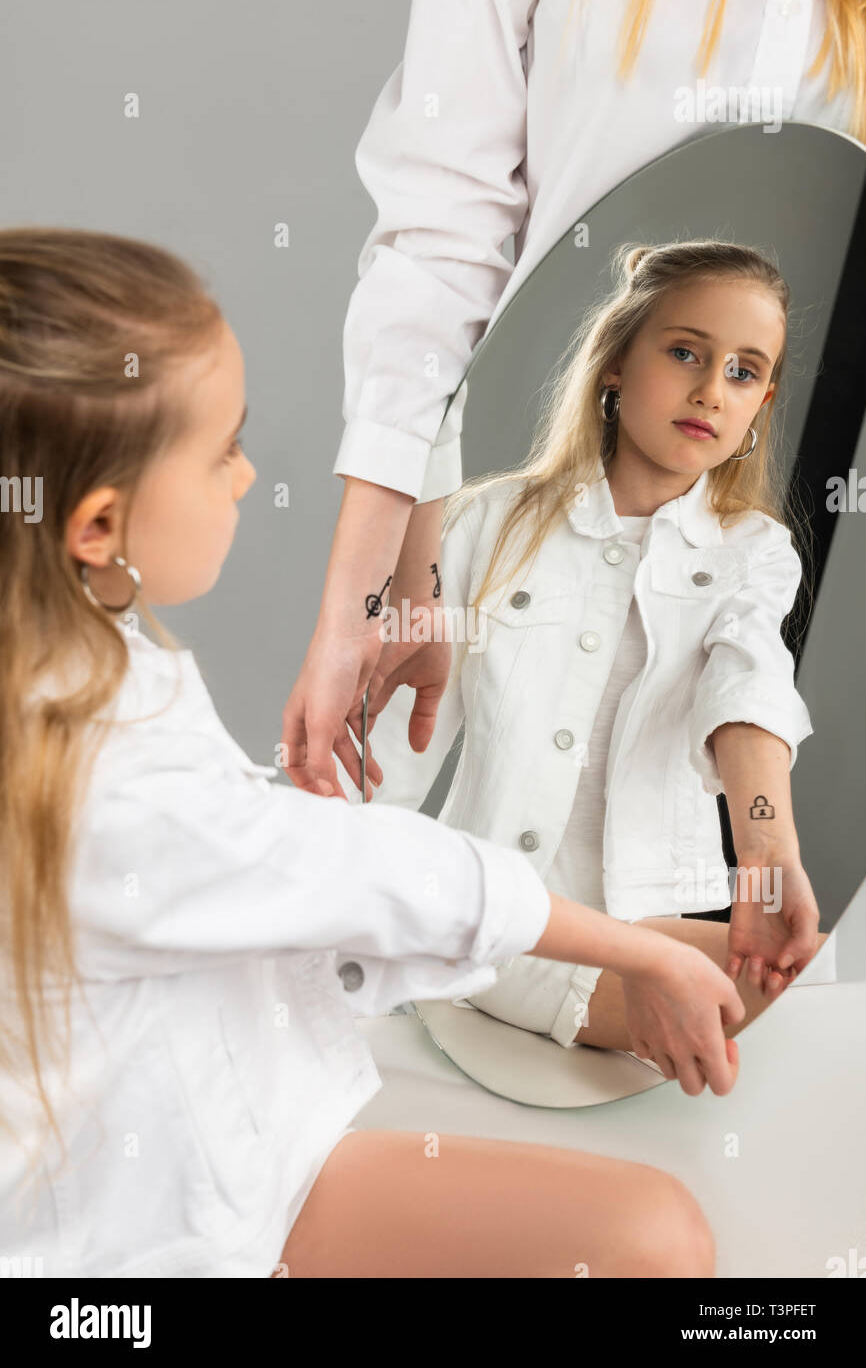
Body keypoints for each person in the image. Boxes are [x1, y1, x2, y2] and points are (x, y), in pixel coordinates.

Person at [0, 226, 745, 1279]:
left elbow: (231, 869)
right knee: (656, 1243)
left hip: (241, 1170)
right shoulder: (87, 763)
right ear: (96, 525)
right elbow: (359, 874)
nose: (250, 474)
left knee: (657, 1234)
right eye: (221, 450)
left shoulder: (86, 669)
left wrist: (287, 824)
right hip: (173, 1240)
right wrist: (633, 948)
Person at [282, 0, 865, 801]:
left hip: (792, 559)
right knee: (403, 878)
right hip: (505, 518)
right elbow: (440, 244)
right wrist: (372, 588)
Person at [331, 239, 830, 1050]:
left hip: (659, 919)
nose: (711, 390)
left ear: (761, 403)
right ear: (615, 363)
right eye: (683, 353)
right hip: (498, 924)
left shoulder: (757, 552)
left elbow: (748, 692)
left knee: (819, 1000)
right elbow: (390, 756)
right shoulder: (483, 526)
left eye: (742, 372)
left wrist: (767, 852)